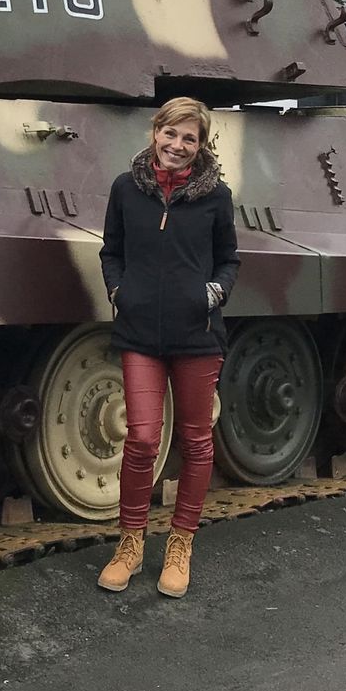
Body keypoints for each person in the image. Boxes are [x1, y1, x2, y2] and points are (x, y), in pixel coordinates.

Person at [95, 96, 239, 597]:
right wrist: (120, 292)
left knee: (196, 441)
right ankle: (130, 544)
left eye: (189, 138)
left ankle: (181, 543)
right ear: (155, 132)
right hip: (140, 334)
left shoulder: (216, 196)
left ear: (201, 145)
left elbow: (229, 259)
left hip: (197, 335)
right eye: (170, 133)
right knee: (140, 439)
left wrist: (211, 294)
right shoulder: (126, 188)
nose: (177, 145)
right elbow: (111, 250)